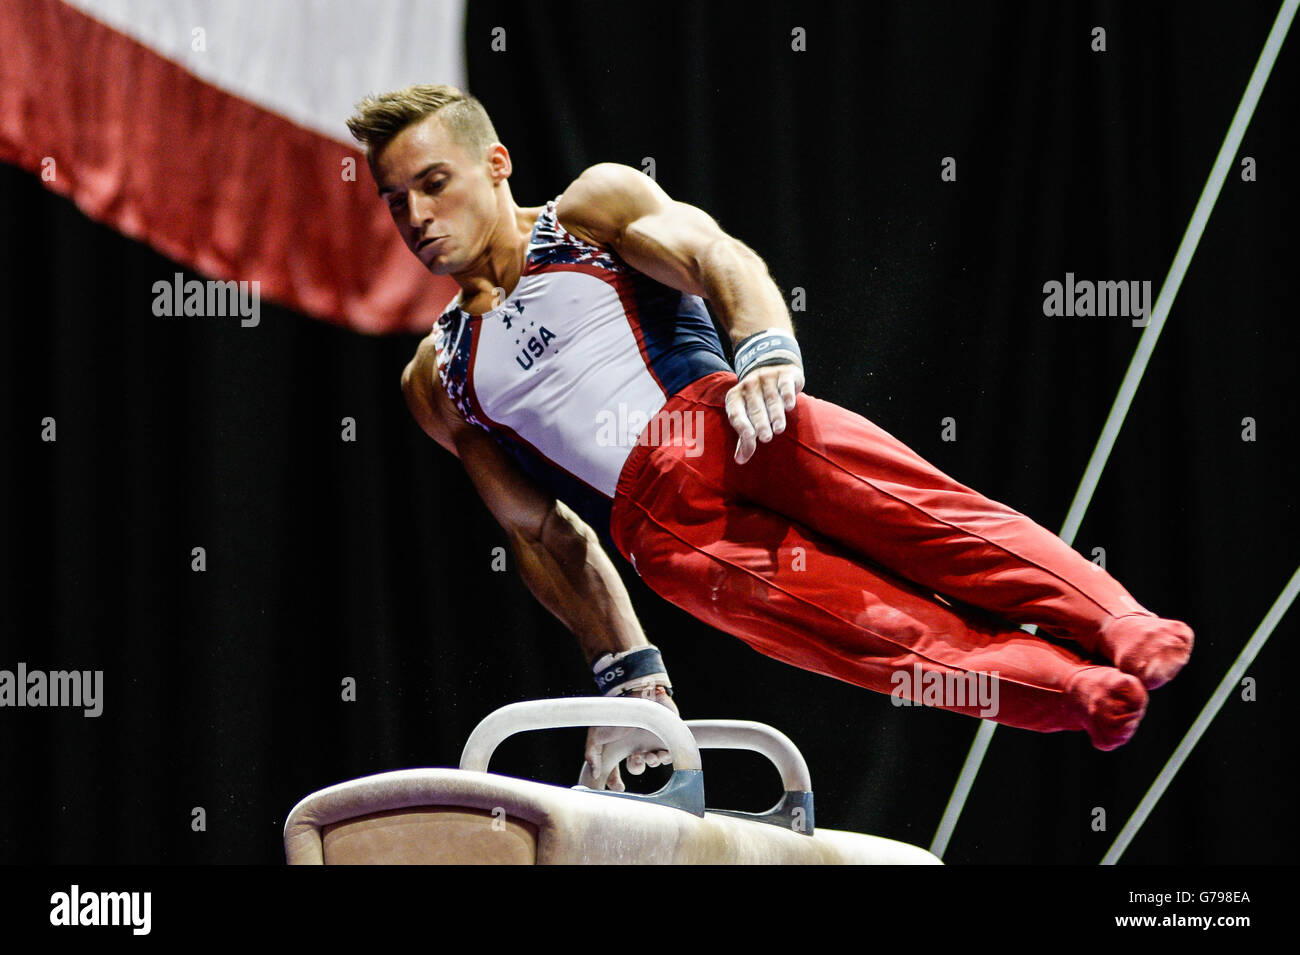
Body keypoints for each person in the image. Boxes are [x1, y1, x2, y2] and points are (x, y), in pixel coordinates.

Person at [347, 84, 1194, 790]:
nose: (417, 215)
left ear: (495, 165)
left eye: (433, 182)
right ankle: (1079, 691)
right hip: (672, 536)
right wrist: (627, 669)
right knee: (880, 641)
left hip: (741, 419)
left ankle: (1119, 621)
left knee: (938, 523)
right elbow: (541, 533)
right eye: (396, 200)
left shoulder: (586, 213)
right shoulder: (440, 379)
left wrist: (763, 353)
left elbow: (720, 257)